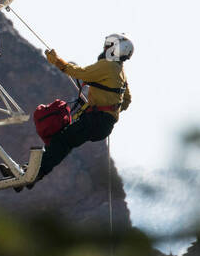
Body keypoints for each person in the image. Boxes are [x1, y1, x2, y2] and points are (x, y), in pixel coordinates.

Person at [26, 34, 133, 189]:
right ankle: (34, 172)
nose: (104, 48)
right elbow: (127, 100)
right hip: (103, 123)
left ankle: (35, 173)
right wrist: (109, 107)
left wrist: (57, 62)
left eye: (108, 45)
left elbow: (82, 73)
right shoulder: (120, 71)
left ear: (116, 49)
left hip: (96, 120)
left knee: (61, 141)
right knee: (64, 141)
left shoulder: (108, 66)